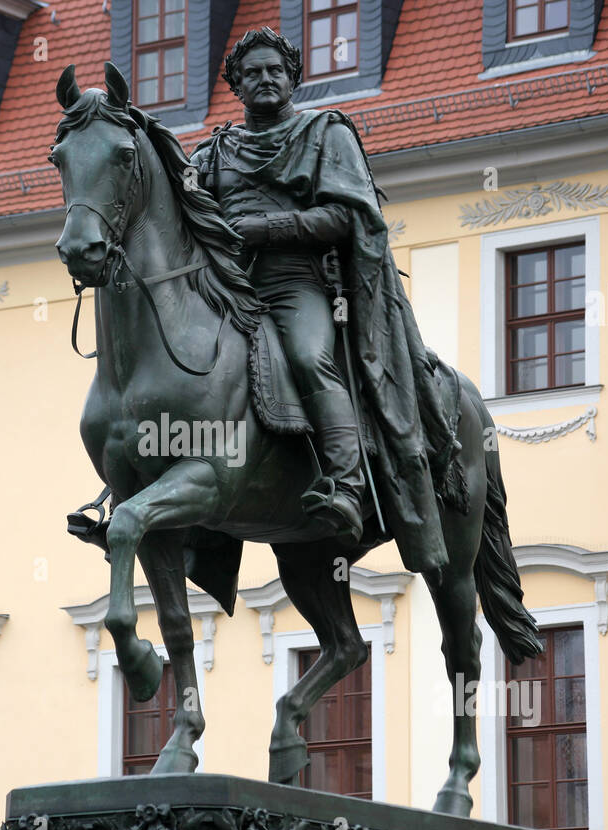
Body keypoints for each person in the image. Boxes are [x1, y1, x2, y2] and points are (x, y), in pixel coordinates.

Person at [191, 27, 462, 568]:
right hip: (225, 288)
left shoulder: (325, 133)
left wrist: (266, 228)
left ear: (292, 78)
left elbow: (349, 217)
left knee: (311, 358)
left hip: (296, 282)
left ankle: (347, 483)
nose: (264, 79)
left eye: (275, 71)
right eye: (252, 73)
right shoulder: (211, 152)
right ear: (236, 86)